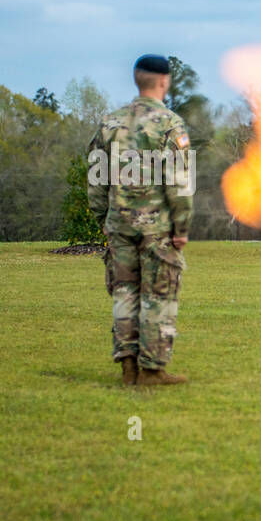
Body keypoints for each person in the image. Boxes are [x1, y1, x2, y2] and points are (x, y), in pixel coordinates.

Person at [87, 53, 193, 385]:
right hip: (157, 227)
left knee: (124, 294)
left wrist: (104, 216)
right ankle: (152, 370)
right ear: (164, 81)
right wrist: (182, 226)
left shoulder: (110, 123)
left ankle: (128, 368)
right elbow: (179, 182)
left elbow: (95, 177)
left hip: (119, 225)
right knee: (158, 296)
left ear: (136, 79)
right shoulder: (169, 124)